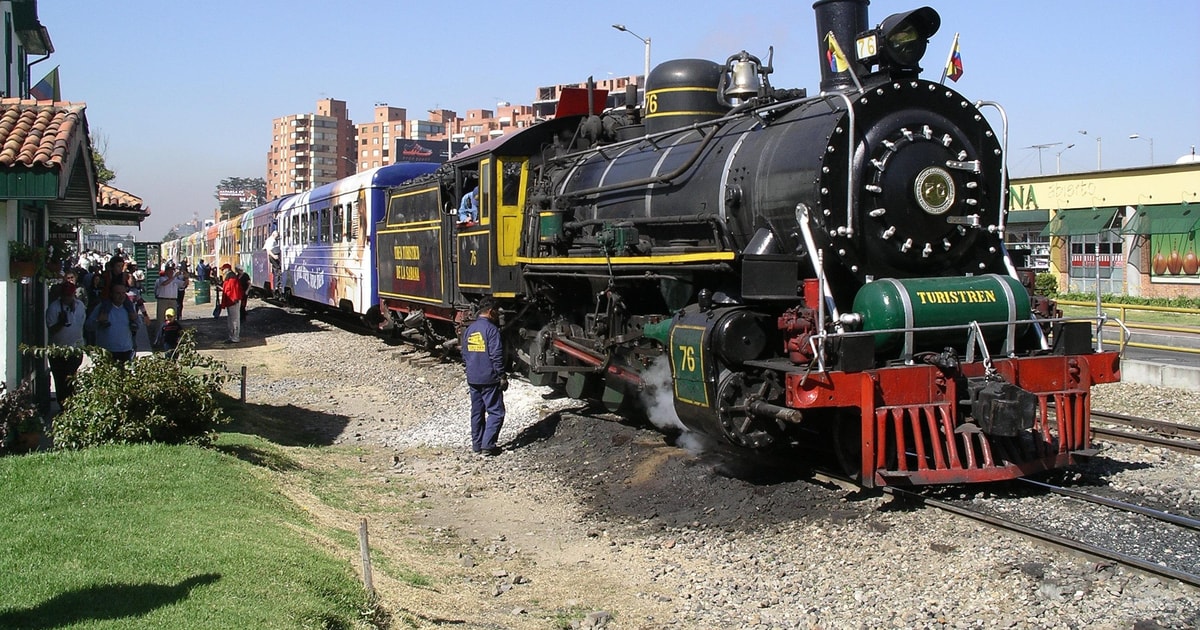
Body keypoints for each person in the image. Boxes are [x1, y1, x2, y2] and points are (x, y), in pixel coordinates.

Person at [462, 297, 506, 455]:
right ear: (490, 311)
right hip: (489, 377)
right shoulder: (492, 330)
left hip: (473, 377)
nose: (497, 314)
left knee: (477, 411)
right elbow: (496, 355)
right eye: (496, 311)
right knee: (496, 411)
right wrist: (502, 375)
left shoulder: (470, 329)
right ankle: (488, 446)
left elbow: (464, 353)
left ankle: (477, 445)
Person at [45, 281, 86, 403]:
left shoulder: (80, 306)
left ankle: (71, 404)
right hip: (58, 350)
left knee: (71, 377)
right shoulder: (54, 307)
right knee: (60, 379)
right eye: (65, 295)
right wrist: (61, 323)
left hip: (75, 348)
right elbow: (51, 330)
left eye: (69, 295)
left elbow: (81, 324)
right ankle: (62, 404)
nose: (67, 298)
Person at [85, 280, 139, 364]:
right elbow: (88, 326)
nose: (121, 296)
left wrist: (135, 319)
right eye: (118, 293)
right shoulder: (102, 308)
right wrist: (98, 321)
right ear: (111, 294)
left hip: (125, 350)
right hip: (106, 351)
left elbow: (138, 325)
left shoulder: (129, 308)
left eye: (123, 293)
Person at [153, 264, 187, 348]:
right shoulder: (161, 279)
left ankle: (172, 337)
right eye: (170, 271)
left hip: (172, 300)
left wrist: (186, 277)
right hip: (163, 300)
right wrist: (174, 277)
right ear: (166, 271)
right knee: (161, 319)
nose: (172, 272)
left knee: (172, 319)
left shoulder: (175, 280)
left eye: (173, 271)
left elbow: (183, 285)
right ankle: (159, 339)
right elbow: (164, 283)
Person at [219, 263, 245, 343]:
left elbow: (234, 290)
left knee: (234, 320)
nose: (222, 271)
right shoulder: (229, 277)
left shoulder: (231, 278)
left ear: (227, 269)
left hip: (233, 301)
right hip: (231, 300)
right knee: (231, 319)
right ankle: (232, 336)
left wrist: (234, 299)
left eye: (223, 269)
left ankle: (235, 337)